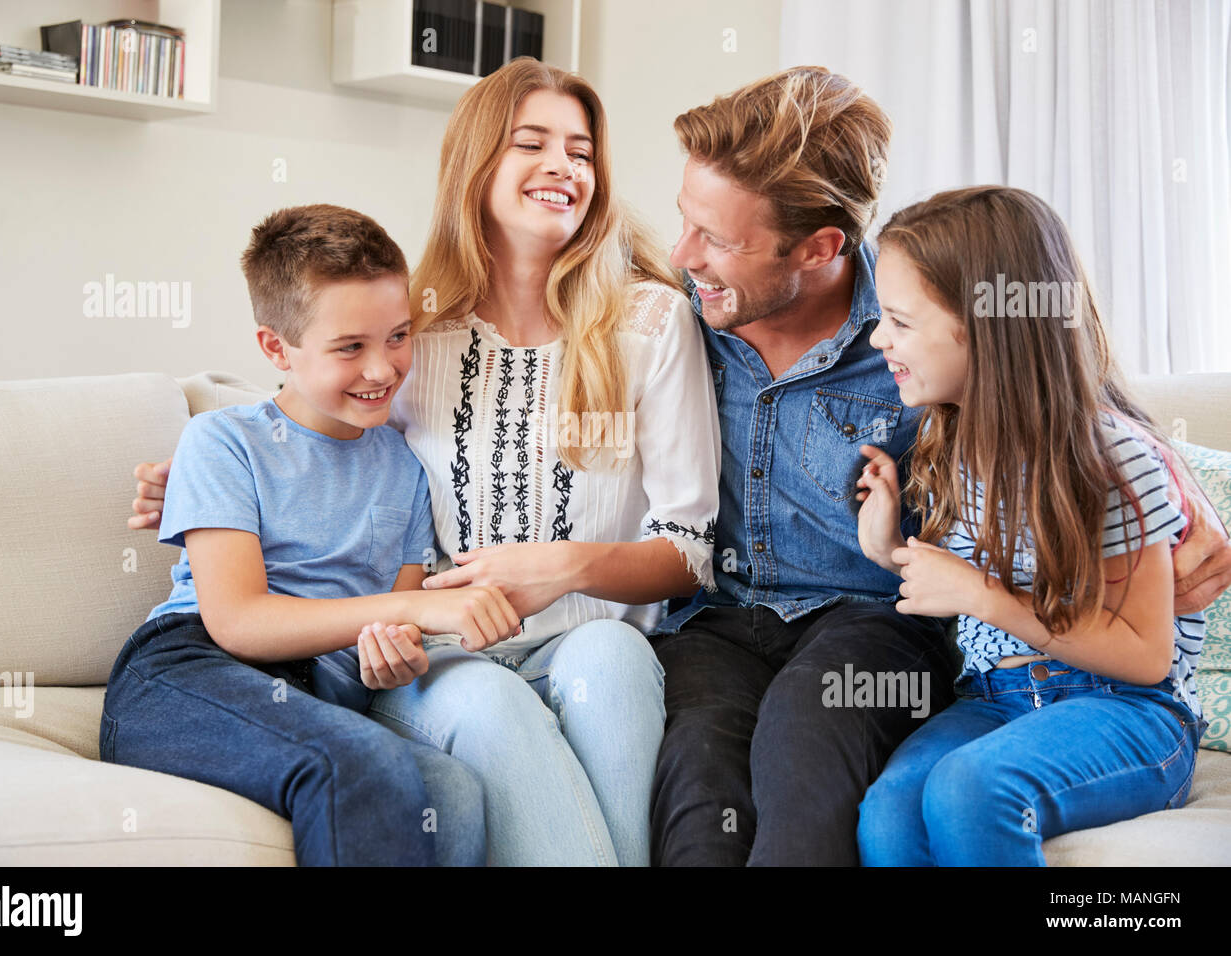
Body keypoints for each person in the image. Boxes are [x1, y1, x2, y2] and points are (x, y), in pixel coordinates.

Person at [128, 58, 722, 866]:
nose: (563, 167)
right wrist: (197, 483)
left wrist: (569, 566)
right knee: (488, 712)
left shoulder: (654, 323)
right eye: (532, 143)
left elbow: (690, 549)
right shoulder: (419, 335)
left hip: (585, 636)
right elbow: (316, 415)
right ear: (477, 165)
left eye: (581, 152)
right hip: (441, 653)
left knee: (613, 660)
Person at [650, 65, 1231, 866]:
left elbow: (1062, 393)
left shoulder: (925, 336)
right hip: (729, 624)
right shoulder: (674, 319)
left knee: (811, 744)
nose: (684, 256)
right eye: (686, 221)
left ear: (822, 247)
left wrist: (1192, 492)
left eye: (717, 238)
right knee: (716, 785)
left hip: (879, 629)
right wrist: (890, 540)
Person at [104, 203, 521, 866]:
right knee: (362, 761)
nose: (383, 369)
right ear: (277, 348)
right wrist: (411, 607)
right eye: (350, 347)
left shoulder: (408, 470)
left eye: (397, 336)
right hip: (187, 674)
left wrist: (395, 651)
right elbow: (238, 620)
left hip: (317, 693)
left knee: (456, 790)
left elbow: (390, 629)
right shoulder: (222, 441)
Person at [854, 185, 1206, 864]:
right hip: (997, 698)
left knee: (970, 788)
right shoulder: (951, 440)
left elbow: (1144, 656)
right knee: (889, 814)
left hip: (1127, 711)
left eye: (899, 320)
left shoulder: (1110, 459)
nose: (879, 339)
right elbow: (959, 582)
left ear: (985, 327)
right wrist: (887, 546)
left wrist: (986, 599)